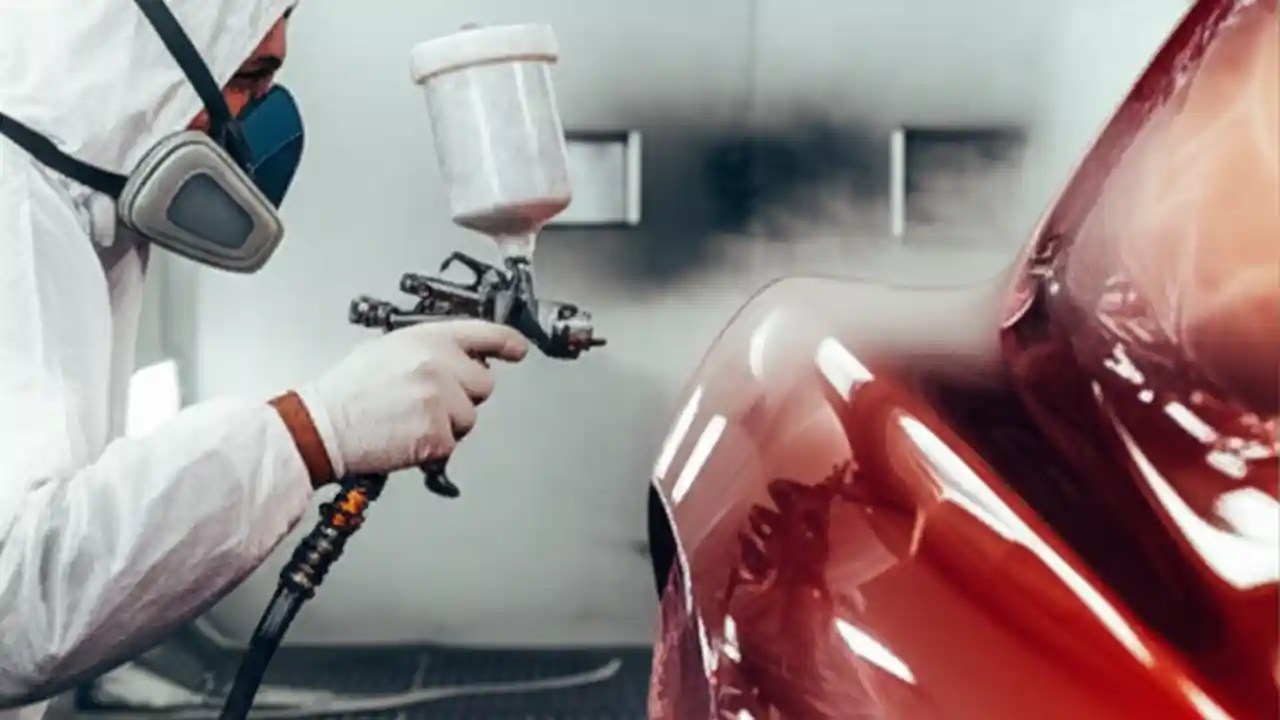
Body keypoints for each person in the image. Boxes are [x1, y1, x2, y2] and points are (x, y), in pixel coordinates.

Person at [0, 0, 528, 715]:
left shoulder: (78, 208)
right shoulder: (14, 215)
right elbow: (16, 604)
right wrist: (313, 431)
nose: (256, 119)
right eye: (248, 78)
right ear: (142, 64)